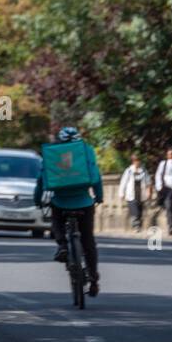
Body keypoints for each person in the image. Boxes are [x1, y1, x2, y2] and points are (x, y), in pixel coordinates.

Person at [34, 125, 103, 297]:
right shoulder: (86, 150)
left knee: (56, 220)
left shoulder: (53, 152)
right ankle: (93, 278)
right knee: (88, 241)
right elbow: (96, 175)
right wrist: (99, 196)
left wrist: (38, 200)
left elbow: (42, 178)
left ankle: (63, 245)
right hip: (84, 202)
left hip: (61, 201)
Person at [118, 152, 151, 231]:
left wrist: (149, 192)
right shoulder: (129, 170)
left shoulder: (143, 171)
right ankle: (136, 226)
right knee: (134, 211)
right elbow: (123, 182)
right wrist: (121, 193)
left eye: (138, 160)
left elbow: (148, 182)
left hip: (141, 194)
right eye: (135, 160)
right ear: (133, 161)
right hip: (131, 194)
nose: (137, 162)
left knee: (140, 212)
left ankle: (137, 224)